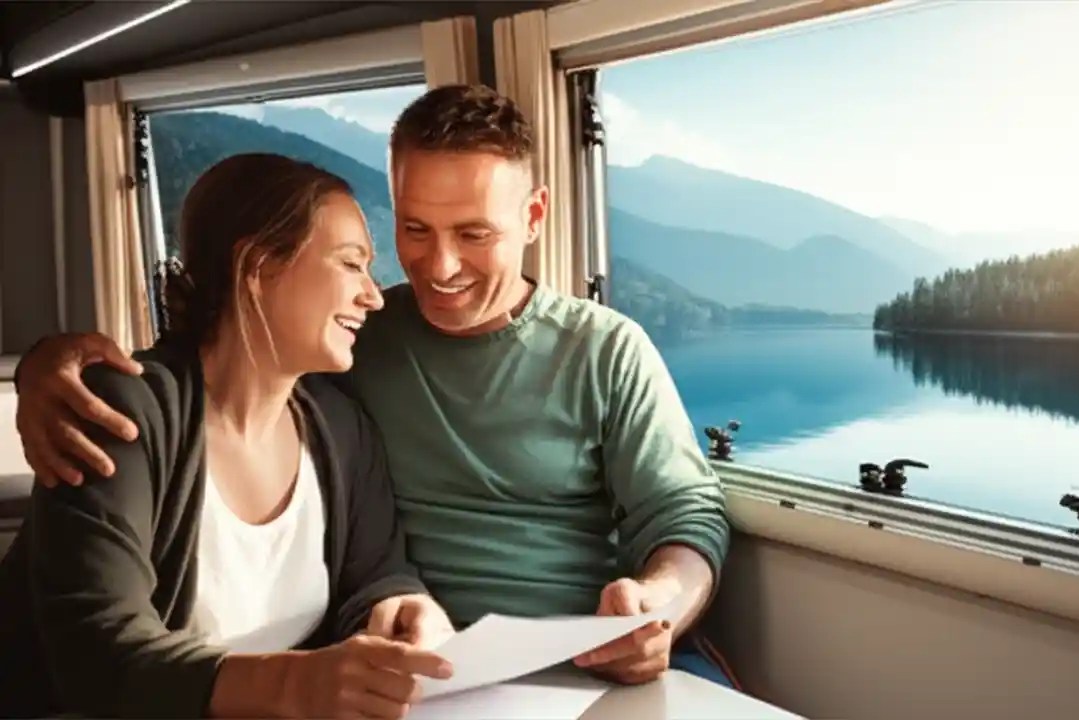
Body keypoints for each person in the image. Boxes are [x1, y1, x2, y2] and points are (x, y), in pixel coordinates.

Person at [14, 84, 734, 689]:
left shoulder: (602, 351)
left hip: (578, 666)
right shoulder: (350, 355)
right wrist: (45, 366)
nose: (437, 268)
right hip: (420, 681)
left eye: (474, 234)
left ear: (534, 217)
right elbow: (93, 638)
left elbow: (684, 513)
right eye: (414, 229)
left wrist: (656, 608)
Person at [0, 153, 454, 719]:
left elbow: (377, 574)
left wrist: (403, 604)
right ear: (259, 267)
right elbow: (97, 653)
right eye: (350, 264)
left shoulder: (340, 429)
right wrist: (294, 686)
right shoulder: (122, 413)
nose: (374, 295)